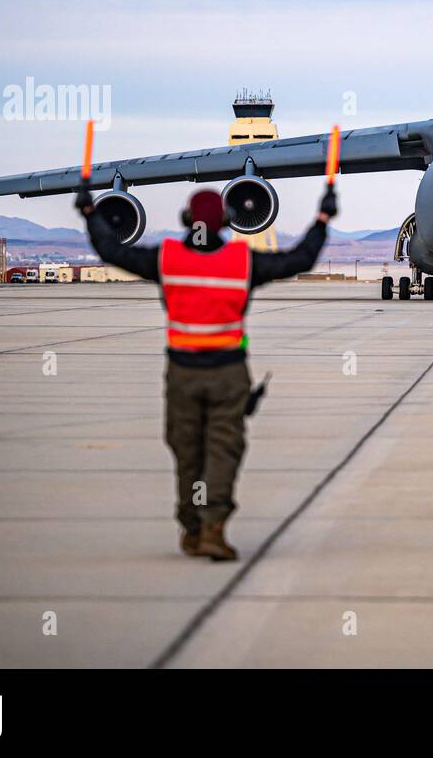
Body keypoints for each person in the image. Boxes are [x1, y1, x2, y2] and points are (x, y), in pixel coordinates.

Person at [76, 181, 336, 561]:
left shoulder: (167, 259)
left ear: (186, 219)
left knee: (187, 451)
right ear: (228, 221)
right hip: (228, 373)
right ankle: (213, 526)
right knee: (223, 450)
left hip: (182, 372)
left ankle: (192, 526)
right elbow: (300, 259)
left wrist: (90, 214)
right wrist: (323, 218)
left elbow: (111, 249)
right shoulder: (242, 262)